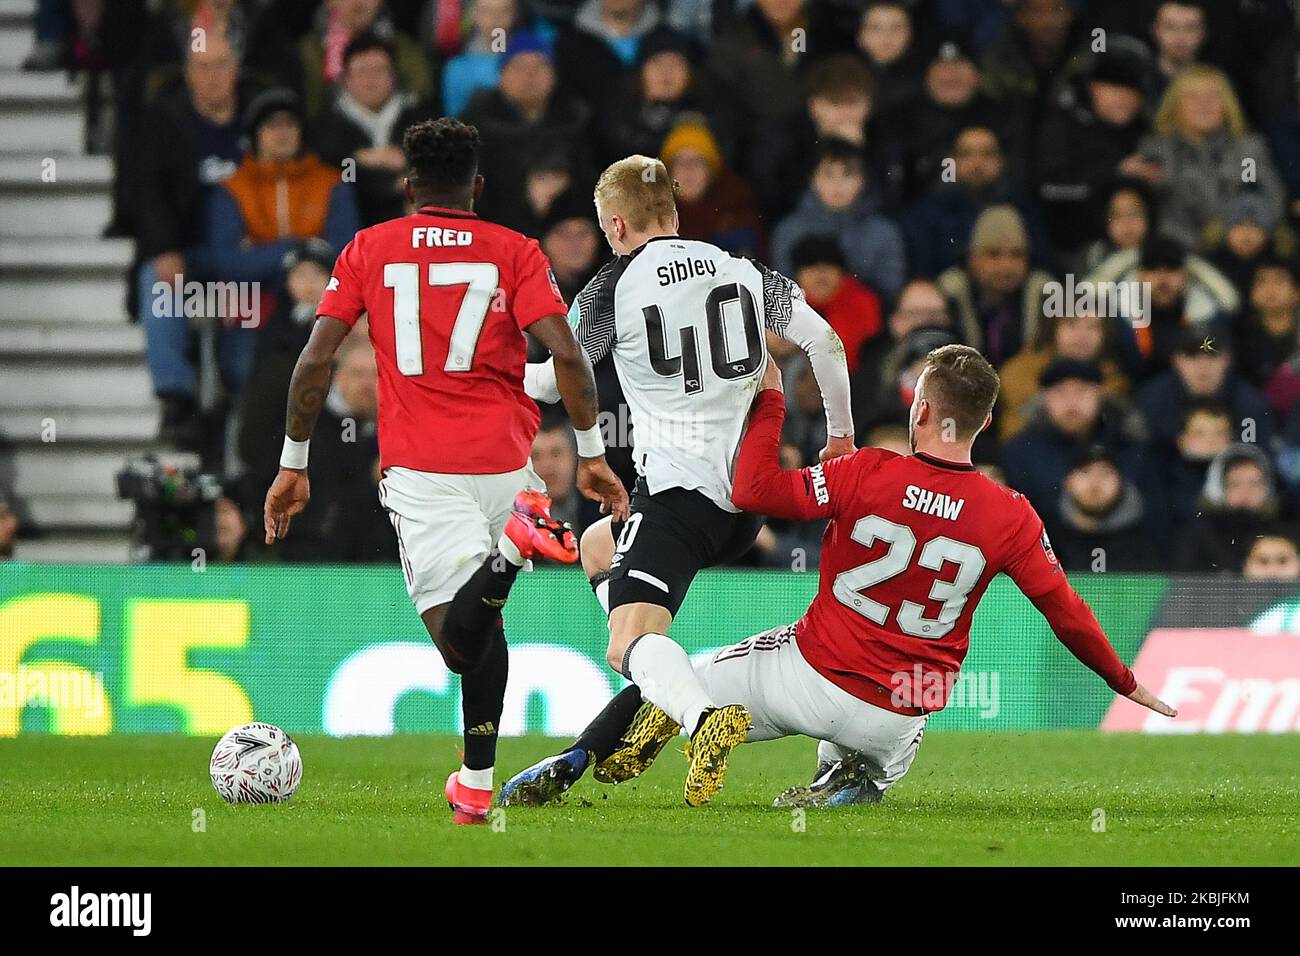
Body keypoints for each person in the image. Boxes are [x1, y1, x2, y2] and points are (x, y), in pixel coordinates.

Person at [503, 345, 1175, 808]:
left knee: (680, 683)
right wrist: (1126, 680)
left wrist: (769, 401)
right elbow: (1065, 611)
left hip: (807, 675)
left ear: (918, 412)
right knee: (889, 735)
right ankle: (853, 776)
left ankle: (577, 760)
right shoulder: (1013, 516)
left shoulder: (871, 471)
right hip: (902, 705)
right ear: (986, 422)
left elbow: (757, 487)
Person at [262, 118, 628, 825]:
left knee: (458, 644)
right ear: (479, 187)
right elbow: (571, 357)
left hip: (426, 470)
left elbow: (315, 360)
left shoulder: (369, 248)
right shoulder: (514, 250)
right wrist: (589, 453)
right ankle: (476, 784)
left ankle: (516, 543)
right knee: (485, 631)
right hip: (508, 462)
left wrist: (292, 464)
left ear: (407, 187)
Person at [505, 153, 855, 807]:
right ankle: (656, 696)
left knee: (628, 643)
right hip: (745, 500)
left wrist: (493, 372)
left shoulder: (613, 286)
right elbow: (826, 342)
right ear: (671, 210)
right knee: (598, 548)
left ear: (614, 223)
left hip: (675, 497)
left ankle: (697, 718)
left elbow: (558, 379)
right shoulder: (740, 270)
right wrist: (840, 437)